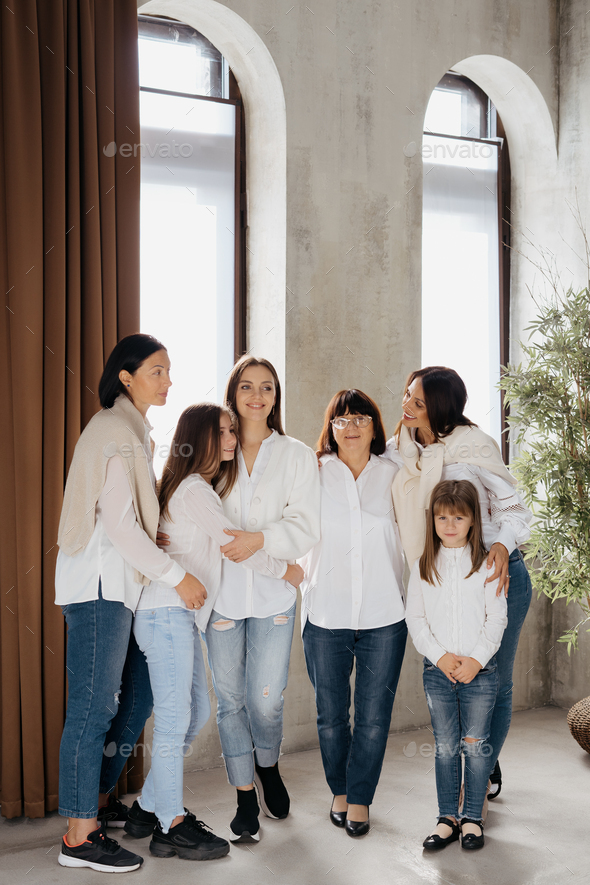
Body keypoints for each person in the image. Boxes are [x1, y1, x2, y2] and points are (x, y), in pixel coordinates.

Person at [55, 334, 208, 873]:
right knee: (94, 708)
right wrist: (178, 575)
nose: (168, 381)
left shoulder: (133, 432)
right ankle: (78, 836)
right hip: (100, 586)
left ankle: (94, 801)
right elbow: (119, 526)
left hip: (126, 589)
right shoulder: (114, 432)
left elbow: (133, 521)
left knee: (135, 700)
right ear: (127, 375)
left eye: (170, 372)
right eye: (158, 371)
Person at [127, 403, 303, 859]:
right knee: (173, 722)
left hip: (180, 618)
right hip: (166, 615)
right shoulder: (193, 490)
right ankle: (170, 825)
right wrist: (286, 571)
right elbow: (234, 546)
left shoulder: (190, 488)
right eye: (224, 432)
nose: (232, 438)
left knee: (197, 713)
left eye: (231, 431)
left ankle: (147, 807)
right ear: (200, 437)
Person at [388, 366, 532, 798]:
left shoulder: (473, 447)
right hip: (440, 577)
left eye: (418, 402)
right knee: (451, 679)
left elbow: (516, 511)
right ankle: (476, 763)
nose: (407, 406)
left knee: (493, 681)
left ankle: (481, 775)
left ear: (441, 408)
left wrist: (502, 546)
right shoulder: (405, 447)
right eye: (407, 396)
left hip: (494, 574)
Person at [204, 356, 321, 842]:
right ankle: (244, 795)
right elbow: (202, 525)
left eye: (267, 387)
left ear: (276, 396)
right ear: (233, 393)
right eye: (247, 387)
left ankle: (268, 765)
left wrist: (258, 540)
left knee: (266, 702)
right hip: (222, 600)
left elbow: (305, 525)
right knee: (230, 702)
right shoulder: (214, 451)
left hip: (275, 597)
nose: (257, 396)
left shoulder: (295, 454)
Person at [301, 389, 407, 837]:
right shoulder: (313, 472)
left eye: (360, 418)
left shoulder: (394, 472)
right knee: (330, 714)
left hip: (385, 615)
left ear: (374, 426)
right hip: (326, 615)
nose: (351, 427)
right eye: (341, 419)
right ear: (331, 427)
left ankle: (360, 797)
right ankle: (339, 790)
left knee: (374, 715)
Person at [405, 479, 507, 851]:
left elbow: (496, 619)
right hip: (438, 673)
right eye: (442, 517)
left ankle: (472, 820)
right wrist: (442, 657)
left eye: (458, 518)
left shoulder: (486, 564)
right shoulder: (423, 565)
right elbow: (415, 619)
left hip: (481, 674)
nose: (449, 524)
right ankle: (447, 816)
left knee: (475, 744)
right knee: (446, 746)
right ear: (432, 519)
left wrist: (476, 660)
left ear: (472, 521)